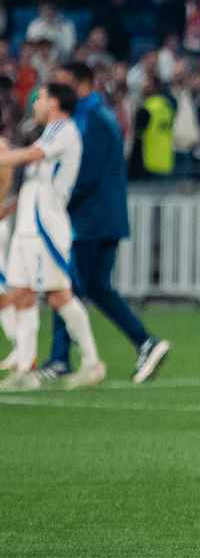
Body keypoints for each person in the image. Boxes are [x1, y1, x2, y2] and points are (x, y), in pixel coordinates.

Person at [44, 63, 171, 385]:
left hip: (91, 219)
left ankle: (61, 359)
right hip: (100, 217)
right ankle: (144, 342)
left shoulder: (93, 121)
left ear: (80, 84)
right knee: (93, 286)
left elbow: (85, 175)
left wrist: (53, 199)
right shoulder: (96, 117)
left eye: (64, 85)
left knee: (68, 285)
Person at [0, 84, 107, 388]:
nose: (35, 102)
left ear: (57, 102)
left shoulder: (66, 131)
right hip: (26, 227)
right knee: (20, 293)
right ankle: (25, 369)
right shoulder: (47, 133)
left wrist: (3, 156)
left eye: (41, 98)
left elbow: (32, 155)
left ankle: (91, 362)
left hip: (46, 228)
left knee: (59, 295)